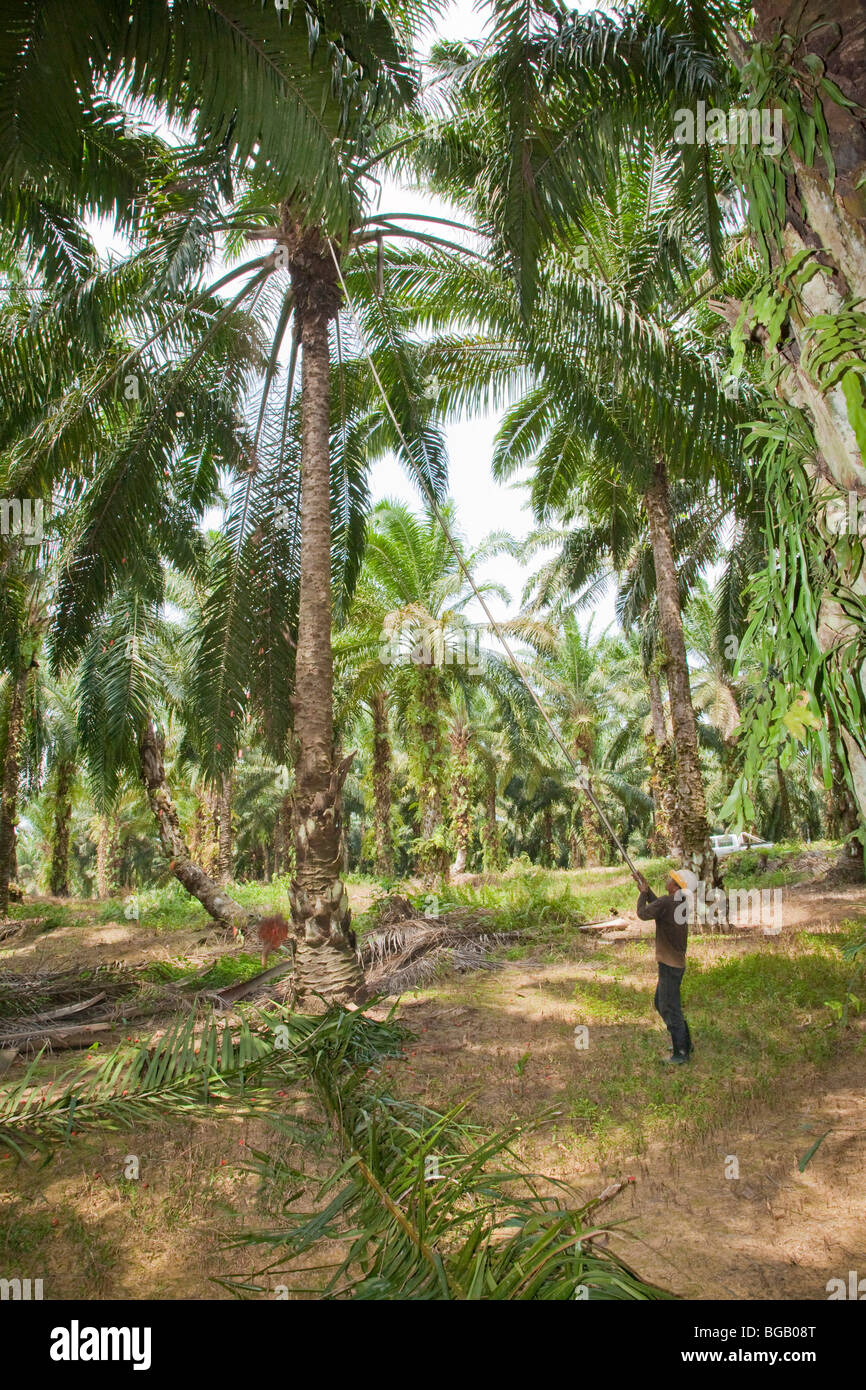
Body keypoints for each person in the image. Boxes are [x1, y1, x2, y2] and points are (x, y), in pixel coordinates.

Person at [635, 868, 693, 1065]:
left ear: (675, 887)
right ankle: (685, 1042)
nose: (667, 881)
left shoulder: (668, 903)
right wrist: (646, 888)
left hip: (669, 964)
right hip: (675, 963)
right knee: (661, 1002)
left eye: (671, 880)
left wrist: (643, 893)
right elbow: (659, 904)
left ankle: (681, 1053)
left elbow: (643, 913)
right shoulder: (679, 902)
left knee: (669, 1007)